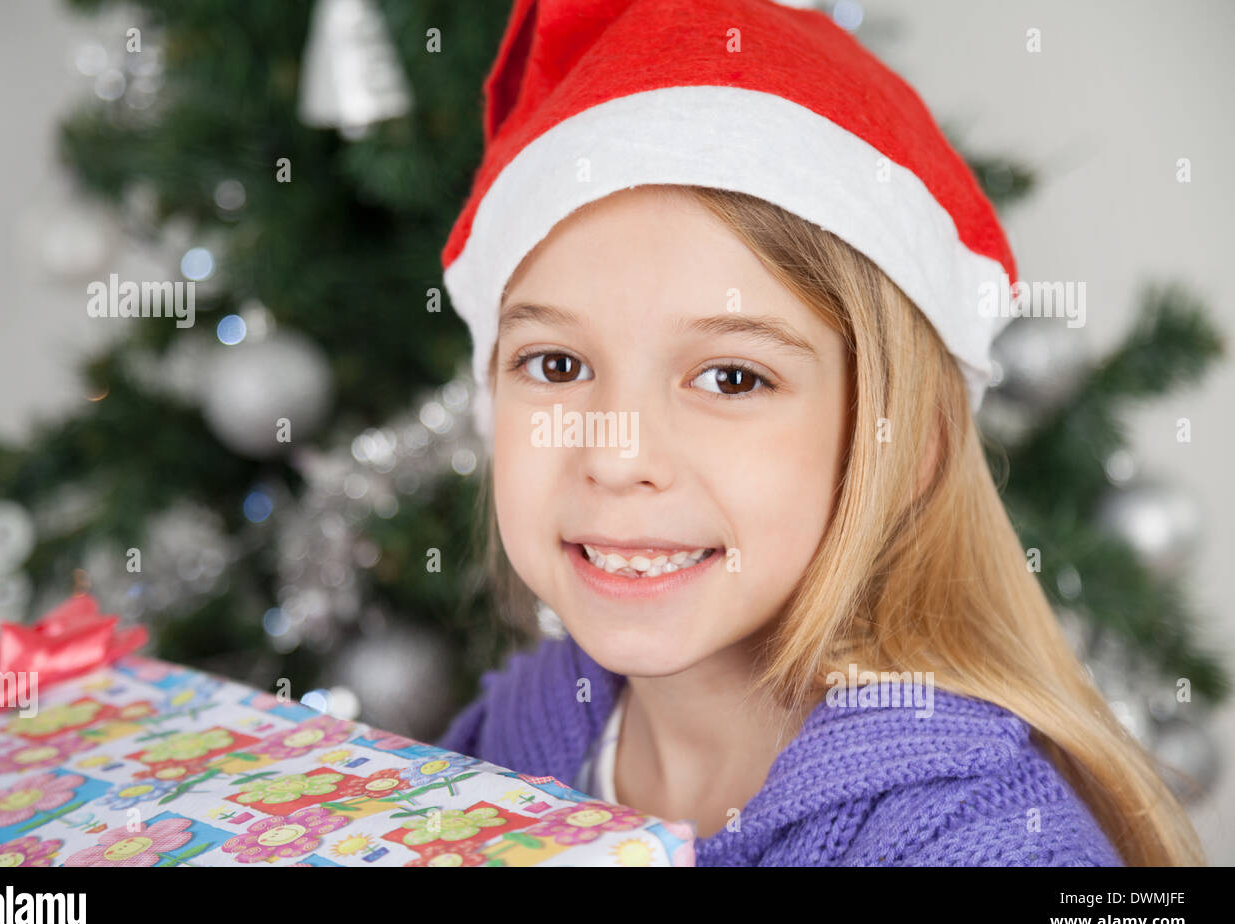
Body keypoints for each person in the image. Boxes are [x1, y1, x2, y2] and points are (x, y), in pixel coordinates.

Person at [433, 0, 1205, 866]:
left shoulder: (987, 844)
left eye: (732, 378)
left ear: (908, 446)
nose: (616, 455)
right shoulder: (521, 727)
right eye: (556, 366)